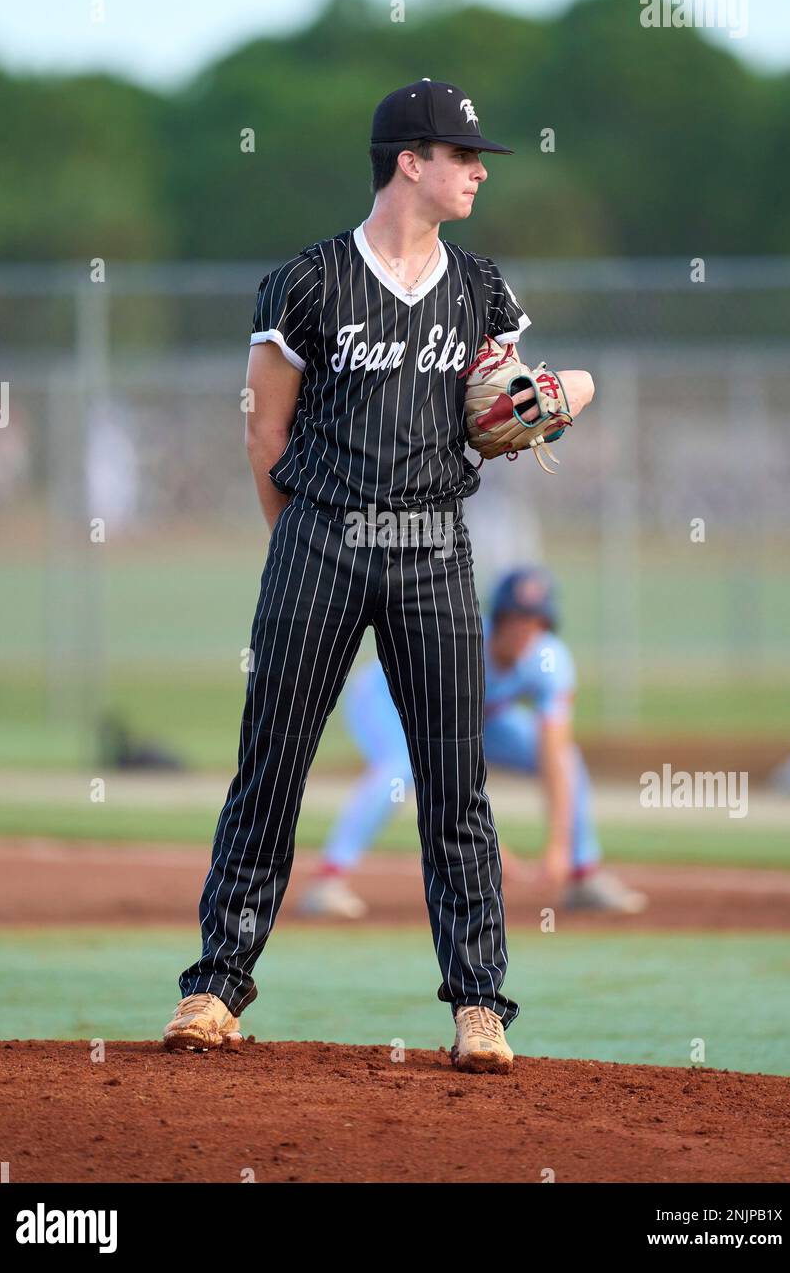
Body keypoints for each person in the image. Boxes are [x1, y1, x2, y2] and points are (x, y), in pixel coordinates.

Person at [163, 79, 594, 1073]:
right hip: (318, 537)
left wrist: (570, 388)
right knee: (271, 766)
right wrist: (297, 544)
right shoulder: (307, 283)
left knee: (455, 785)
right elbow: (263, 432)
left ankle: (477, 1008)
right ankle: (214, 987)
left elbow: (510, 399)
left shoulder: (480, 289)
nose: (478, 170)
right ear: (410, 159)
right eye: (462, 154)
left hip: (436, 545)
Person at [301, 567, 647, 919]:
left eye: (536, 621)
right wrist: (491, 846)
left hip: (481, 716)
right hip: (386, 701)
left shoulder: (549, 661)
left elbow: (553, 754)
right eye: (516, 619)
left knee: (570, 760)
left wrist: (558, 846)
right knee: (401, 767)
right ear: (498, 618)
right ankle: (327, 880)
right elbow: (445, 764)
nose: (526, 631)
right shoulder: (462, 649)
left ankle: (583, 875)